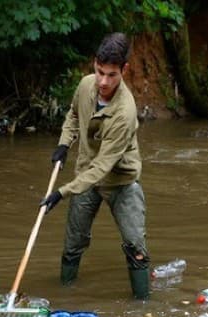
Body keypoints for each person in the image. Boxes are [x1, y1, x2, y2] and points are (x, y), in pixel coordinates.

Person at [42, 32, 148, 299]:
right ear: (94, 63)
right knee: (73, 243)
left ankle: (143, 306)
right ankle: (65, 295)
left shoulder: (125, 112)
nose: (103, 81)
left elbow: (102, 167)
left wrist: (61, 193)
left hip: (120, 180)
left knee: (135, 246)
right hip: (85, 175)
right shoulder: (86, 85)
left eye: (112, 75)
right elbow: (73, 115)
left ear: (124, 70)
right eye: (100, 72)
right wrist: (64, 144)